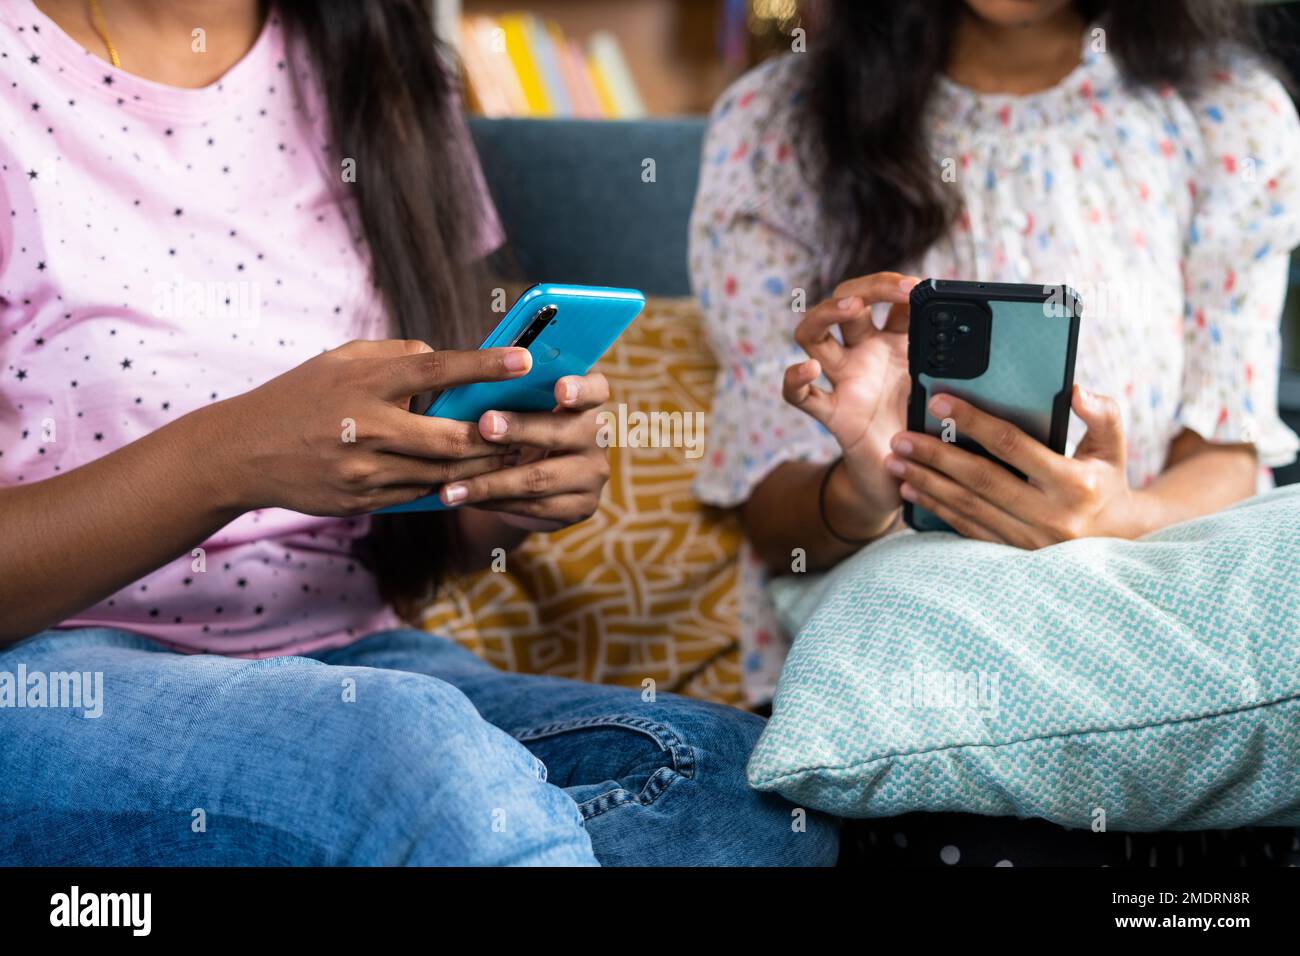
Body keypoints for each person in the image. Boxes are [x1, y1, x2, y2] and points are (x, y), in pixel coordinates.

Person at [0, 0, 837, 866]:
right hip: (52, 680)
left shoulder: (378, 65)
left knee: (734, 782)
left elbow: (435, 527)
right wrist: (230, 458)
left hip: (357, 662)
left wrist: (505, 479)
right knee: (423, 769)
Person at [690, 0, 1300, 704]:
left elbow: (1227, 447)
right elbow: (771, 515)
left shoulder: (1231, 112)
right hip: (892, 674)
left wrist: (1116, 520)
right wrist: (864, 486)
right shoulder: (774, 126)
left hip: (1138, 636)